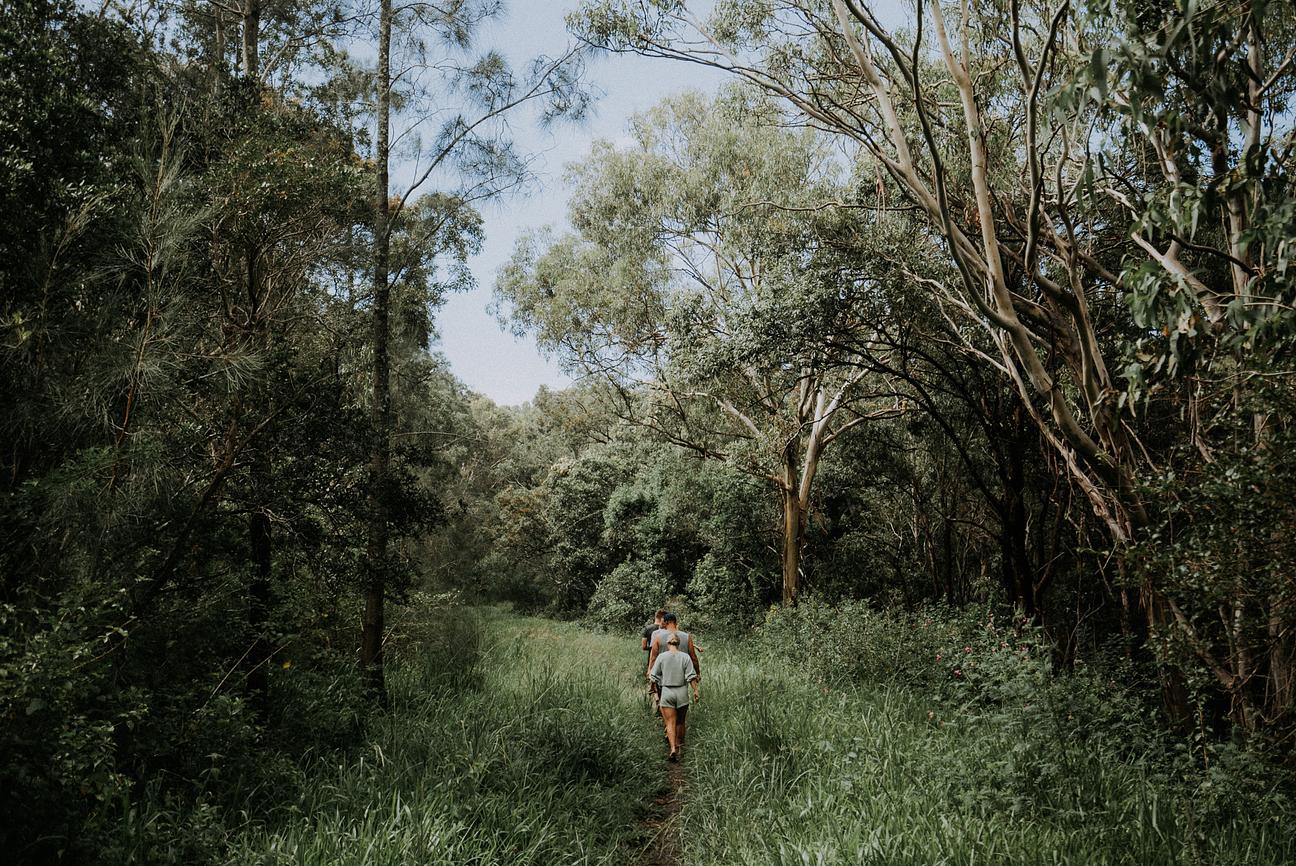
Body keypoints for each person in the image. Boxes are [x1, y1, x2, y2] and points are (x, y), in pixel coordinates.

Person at [648, 633, 699, 761]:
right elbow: (691, 676)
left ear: (667, 643)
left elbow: (653, 676)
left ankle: (672, 749)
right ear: (679, 643)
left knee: (670, 723)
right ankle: (679, 747)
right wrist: (695, 691)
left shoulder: (661, 657)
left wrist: (652, 688)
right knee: (681, 722)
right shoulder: (685, 657)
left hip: (667, 691)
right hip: (681, 691)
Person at [646, 612, 701, 685]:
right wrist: (697, 673)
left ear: (665, 623)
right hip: (681, 680)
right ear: (676, 622)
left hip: (663, 679)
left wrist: (650, 671)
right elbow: (693, 658)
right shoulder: (687, 637)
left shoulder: (658, 638)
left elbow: (653, 658)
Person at [641, 609, 666, 712]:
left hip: (652, 658)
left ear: (655, 616)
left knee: (653, 681)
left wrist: (651, 648)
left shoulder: (648, 629)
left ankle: (657, 702)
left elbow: (643, 646)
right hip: (665, 658)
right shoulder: (667, 629)